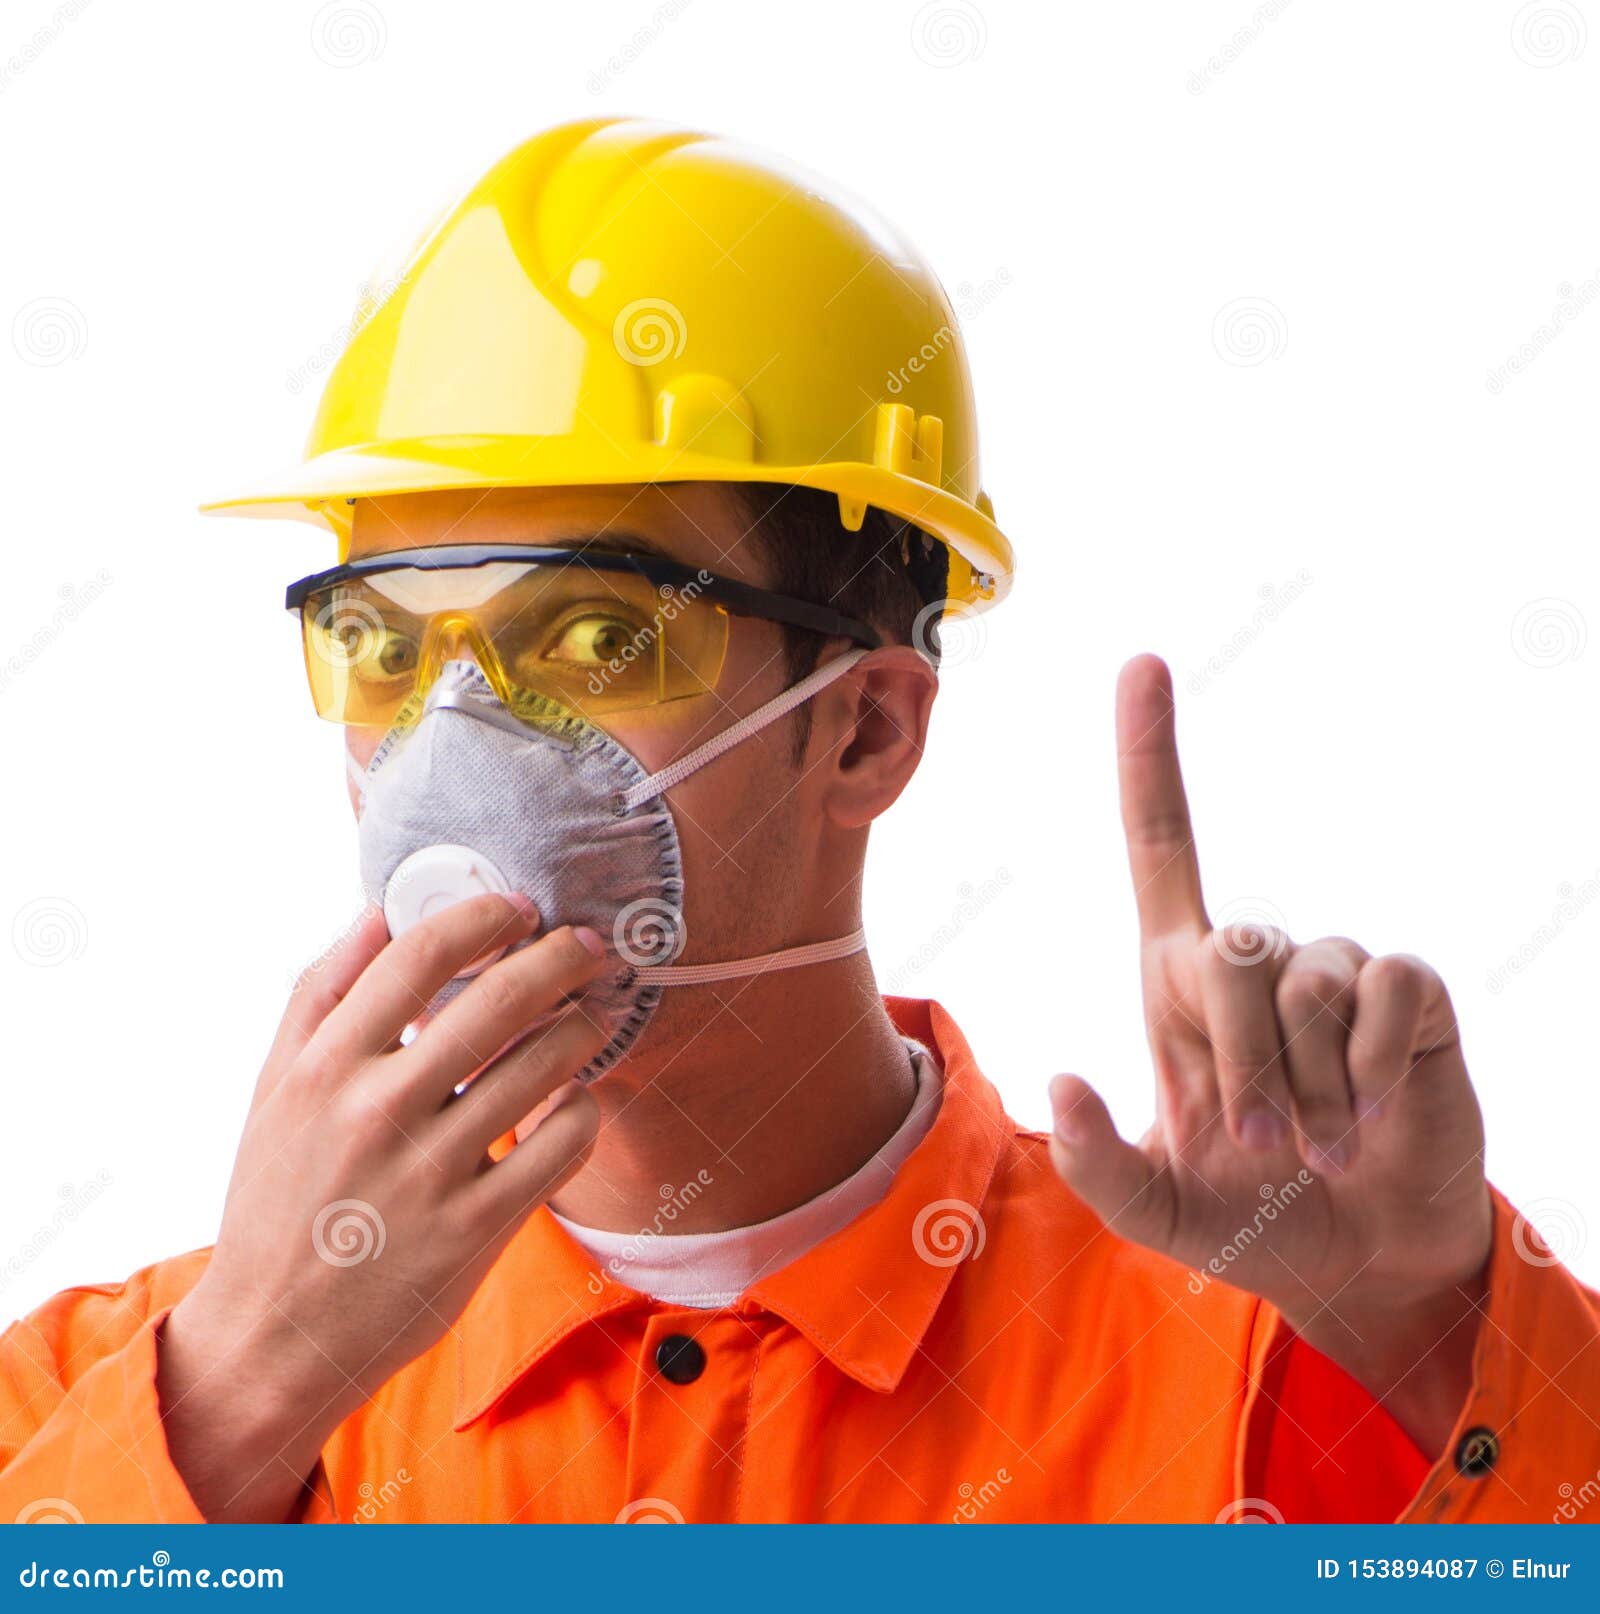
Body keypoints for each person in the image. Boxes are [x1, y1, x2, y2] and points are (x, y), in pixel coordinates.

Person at [2, 119, 1596, 1526]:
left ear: (866, 726)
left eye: (597, 636)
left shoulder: (1248, 1352)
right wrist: (232, 1395)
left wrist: (1428, 1338)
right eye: (381, 640)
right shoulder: (113, 1399)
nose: (448, 740)